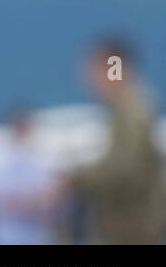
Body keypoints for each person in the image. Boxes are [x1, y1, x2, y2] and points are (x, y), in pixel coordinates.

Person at [62, 37, 164, 244]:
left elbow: (124, 167)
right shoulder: (129, 106)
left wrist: (76, 177)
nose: (90, 78)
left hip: (135, 226)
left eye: (95, 69)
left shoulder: (130, 109)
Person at [0, 106, 63, 244]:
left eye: (24, 127)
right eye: (17, 128)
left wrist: (24, 203)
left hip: (36, 237)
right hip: (1, 238)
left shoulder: (45, 162)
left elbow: (51, 201)